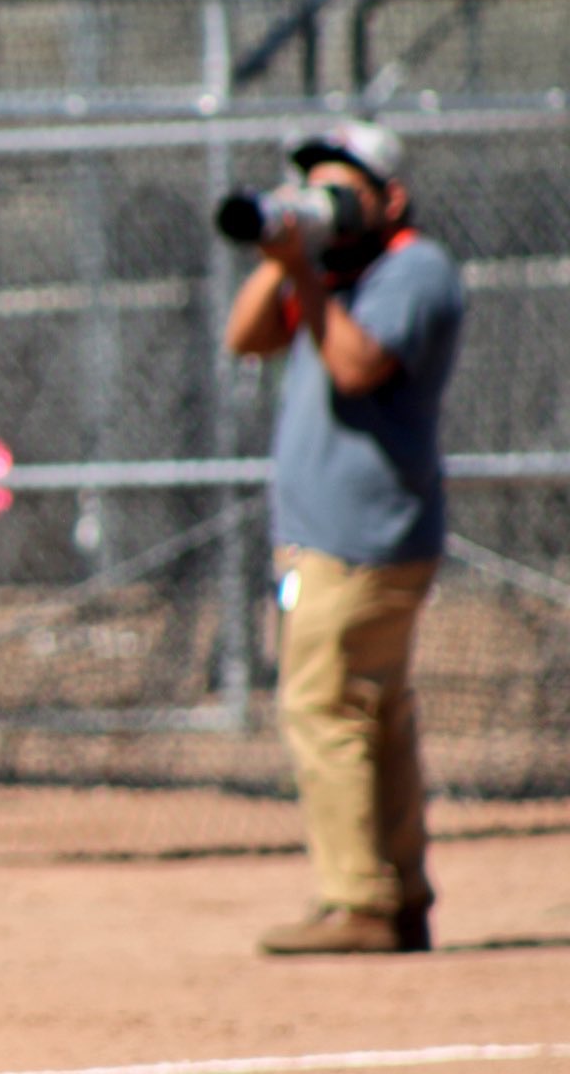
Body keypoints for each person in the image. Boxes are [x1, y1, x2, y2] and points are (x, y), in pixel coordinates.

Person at [222, 120, 465, 955]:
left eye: (341, 187)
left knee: (321, 706)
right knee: (375, 714)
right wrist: (285, 256)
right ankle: (400, 895)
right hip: (328, 537)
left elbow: (358, 367)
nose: (325, 200)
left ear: (390, 197)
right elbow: (245, 337)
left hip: (368, 539)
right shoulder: (332, 272)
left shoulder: (414, 271)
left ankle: (358, 900)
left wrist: (311, 282)